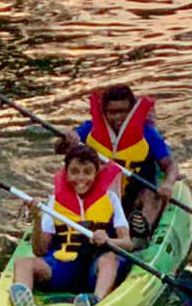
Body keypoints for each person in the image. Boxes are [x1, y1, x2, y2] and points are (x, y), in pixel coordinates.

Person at [8, 137, 132, 306]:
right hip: (62, 266)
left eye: (87, 172)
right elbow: (39, 250)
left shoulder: (110, 199)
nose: (81, 178)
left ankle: (96, 301)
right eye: (74, 172)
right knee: (23, 263)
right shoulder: (55, 202)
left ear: (96, 174)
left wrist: (108, 241)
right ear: (65, 173)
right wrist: (37, 219)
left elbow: (127, 243)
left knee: (110, 258)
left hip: (95, 269)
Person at [75, 84, 178, 243]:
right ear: (104, 112)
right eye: (112, 112)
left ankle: (141, 232)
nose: (117, 118)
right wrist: (67, 139)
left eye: (123, 112)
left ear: (131, 111)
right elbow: (60, 147)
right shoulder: (90, 129)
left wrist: (169, 184)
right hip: (103, 194)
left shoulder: (147, 133)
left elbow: (170, 165)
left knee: (152, 194)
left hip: (137, 194)